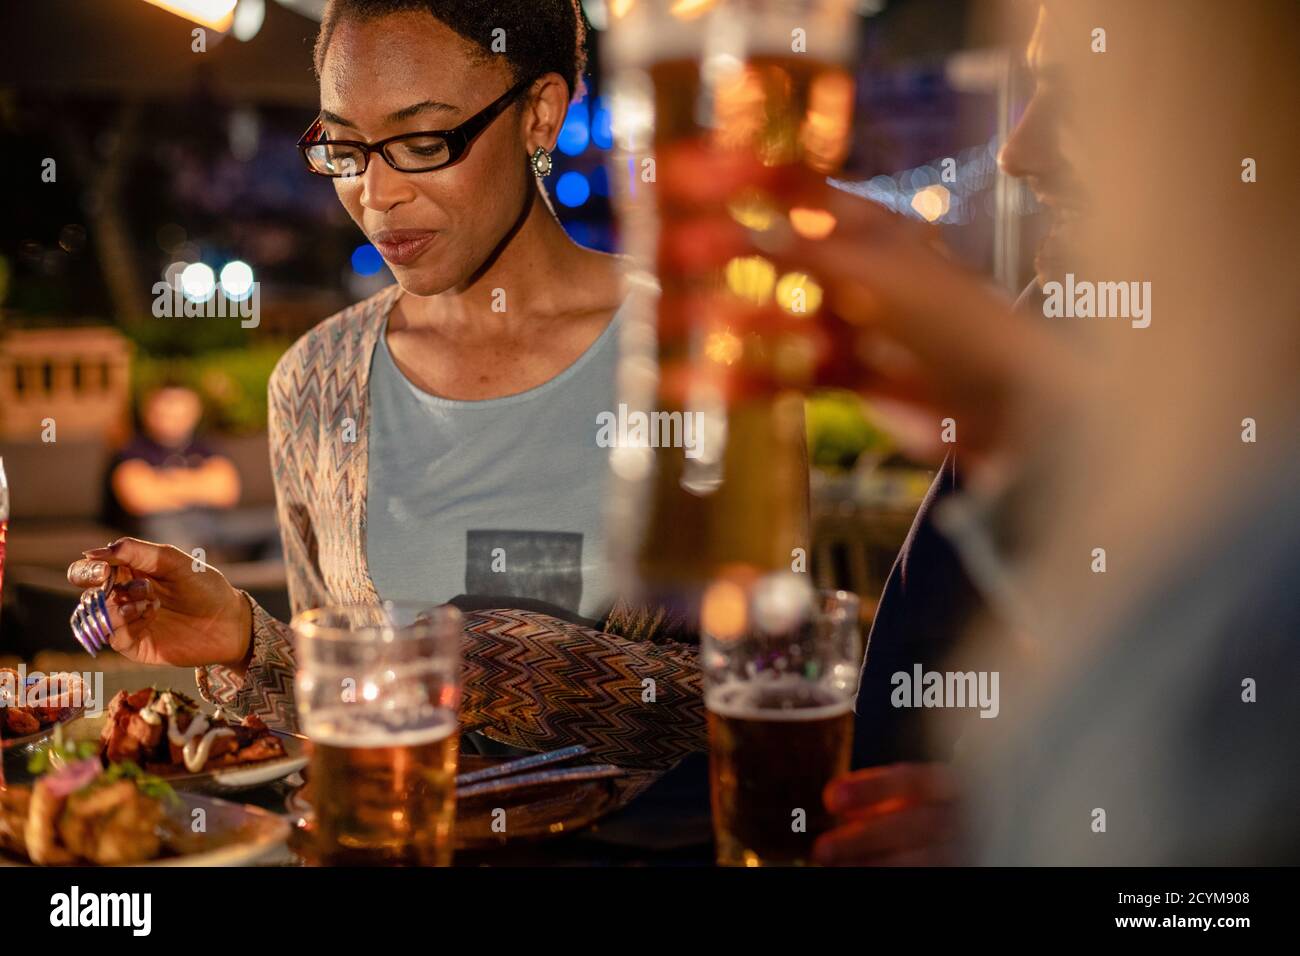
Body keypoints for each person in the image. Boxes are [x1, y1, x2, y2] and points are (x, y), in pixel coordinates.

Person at [67, 0, 710, 778]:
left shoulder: (702, 356)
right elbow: (340, 718)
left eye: (419, 141)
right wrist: (246, 640)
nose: (375, 193)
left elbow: (771, 692)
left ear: (540, 114)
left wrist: (465, 661)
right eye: (345, 146)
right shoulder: (315, 383)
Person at [108, 383, 279, 561]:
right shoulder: (133, 449)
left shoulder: (205, 447)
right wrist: (199, 484)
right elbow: (141, 499)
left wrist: (164, 483)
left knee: (281, 525)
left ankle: (265, 586)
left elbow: (226, 493)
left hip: (213, 521)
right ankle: (197, 584)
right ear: (149, 412)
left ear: (195, 412)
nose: (173, 419)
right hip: (164, 523)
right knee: (183, 554)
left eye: (180, 412)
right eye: (166, 412)